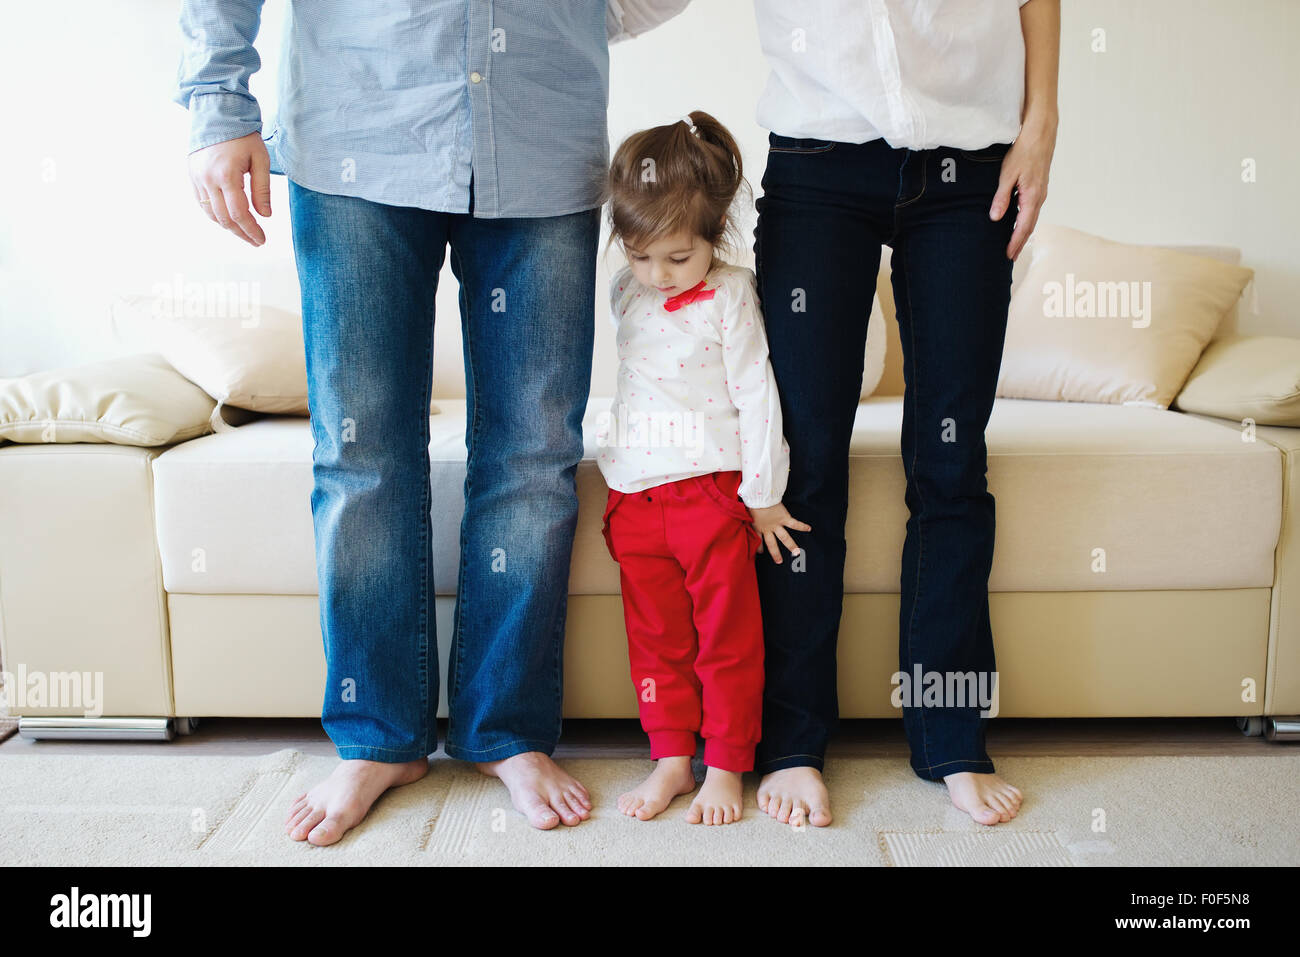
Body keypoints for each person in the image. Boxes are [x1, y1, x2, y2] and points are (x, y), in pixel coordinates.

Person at [175, 0, 690, 844]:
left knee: (533, 452)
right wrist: (217, 103)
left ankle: (506, 729)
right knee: (361, 451)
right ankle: (378, 734)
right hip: (357, 129)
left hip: (541, 129)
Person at [750, 0, 1060, 827]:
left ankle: (950, 734)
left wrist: (1041, 123)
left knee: (951, 462)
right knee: (804, 464)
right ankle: (791, 740)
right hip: (817, 160)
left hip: (971, 163)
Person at [597, 111, 810, 825]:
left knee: (725, 639)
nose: (657, 274)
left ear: (714, 235)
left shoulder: (731, 293)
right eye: (640, 254)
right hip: (635, 497)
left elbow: (757, 392)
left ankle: (725, 763)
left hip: (711, 494)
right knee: (656, 639)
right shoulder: (626, 291)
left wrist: (763, 494)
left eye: (676, 258)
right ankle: (670, 758)